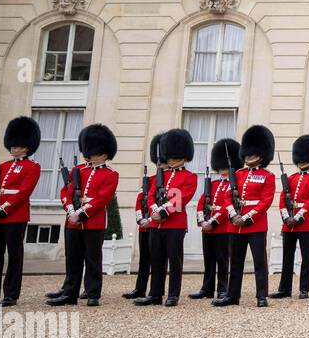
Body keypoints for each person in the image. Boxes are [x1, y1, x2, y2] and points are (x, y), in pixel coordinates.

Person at [48, 123, 119, 307]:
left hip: (93, 223)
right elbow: (66, 193)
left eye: (94, 153)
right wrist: (71, 211)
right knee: (73, 259)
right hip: (73, 222)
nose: (89, 156)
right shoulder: (78, 170)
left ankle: (93, 293)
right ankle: (69, 293)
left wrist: (81, 213)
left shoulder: (111, 174)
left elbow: (101, 199)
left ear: (104, 154)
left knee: (93, 259)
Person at [0, 116, 41, 306]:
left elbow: (23, 193)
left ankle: (11, 294)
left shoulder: (33, 167)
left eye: (18, 145)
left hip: (15, 216)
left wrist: (1, 210)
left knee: (14, 256)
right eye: (12, 145)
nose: (14, 148)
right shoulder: (3, 166)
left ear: (27, 146)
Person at [136, 128, 197, 306]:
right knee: (156, 260)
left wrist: (162, 212)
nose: (171, 160)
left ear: (184, 156)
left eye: (175, 156)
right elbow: (151, 195)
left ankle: (173, 294)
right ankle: (155, 294)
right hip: (156, 225)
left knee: (174, 261)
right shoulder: (160, 176)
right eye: (169, 156)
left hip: (175, 225)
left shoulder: (190, 177)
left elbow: (181, 198)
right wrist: (155, 212)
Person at [218, 124, 276, 308]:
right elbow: (227, 196)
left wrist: (248, 217)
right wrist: (234, 214)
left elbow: (265, 201)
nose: (250, 157)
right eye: (248, 154)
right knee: (235, 262)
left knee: (260, 262)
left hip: (255, 224)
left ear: (262, 155)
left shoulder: (267, 176)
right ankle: (232, 295)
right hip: (235, 223)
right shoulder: (238, 174)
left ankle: (261, 296)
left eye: (254, 154)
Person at [273, 134, 309, 299]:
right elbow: (282, 199)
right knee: (287, 256)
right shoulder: (291, 179)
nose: (302, 161)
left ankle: (304, 289)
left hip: (305, 223)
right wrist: (286, 217)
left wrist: (298, 217)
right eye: (300, 159)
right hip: (288, 222)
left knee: (306, 257)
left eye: (305, 159)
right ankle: (285, 288)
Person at [195, 137, 238, 301]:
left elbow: (227, 207)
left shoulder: (233, 186)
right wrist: (202, 221)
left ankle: (222, 288)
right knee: (209, 259)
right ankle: (207, 288)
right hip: (207, 228)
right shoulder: (212, 184)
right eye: (220, 167)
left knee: (222, 260)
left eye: (225, 167)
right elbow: (200, 203)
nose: (222, 170)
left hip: (223, 228)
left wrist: (212, 222)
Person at [124, 134, 163, 301]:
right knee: (144, 260)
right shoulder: (149, 180)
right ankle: (140, 288)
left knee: (157, 260)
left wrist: (152, 219)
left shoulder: (166, 182)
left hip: (157, 224)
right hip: (145, 225)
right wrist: (141, 219)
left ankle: (155, 291)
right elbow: (140, 201)